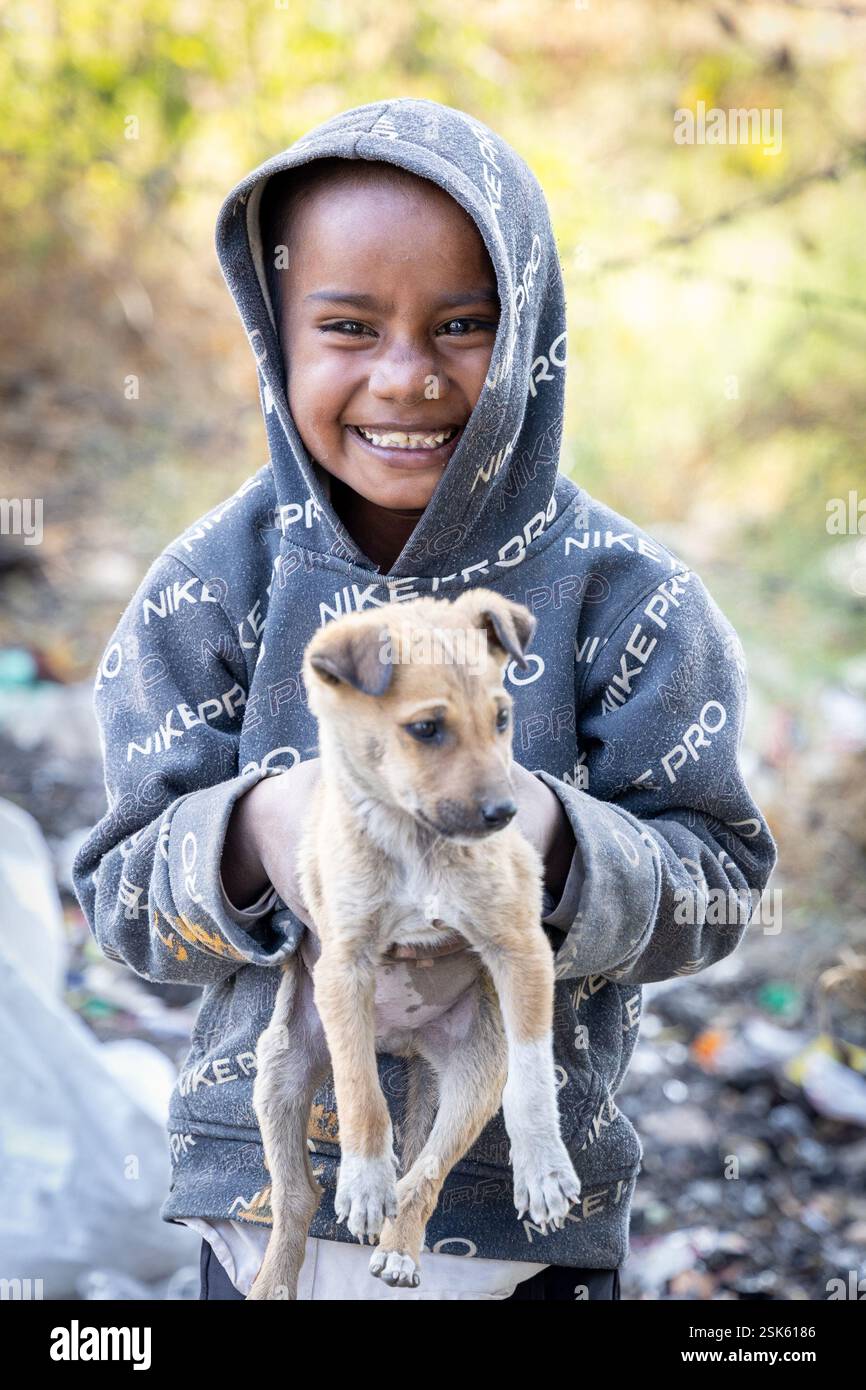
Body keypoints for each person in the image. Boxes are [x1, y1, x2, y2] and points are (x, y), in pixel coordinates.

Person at [72, 97, 777, 1302]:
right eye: (346, 326)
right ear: (272, 332)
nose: (405, 378)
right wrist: (250, 837)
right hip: (262, 1212)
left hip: (523, 1228)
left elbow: (723, 885)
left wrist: (562, 846)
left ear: (531, 341)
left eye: (463, 325)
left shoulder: (629, 598)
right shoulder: (209, 591)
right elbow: (121, 902)